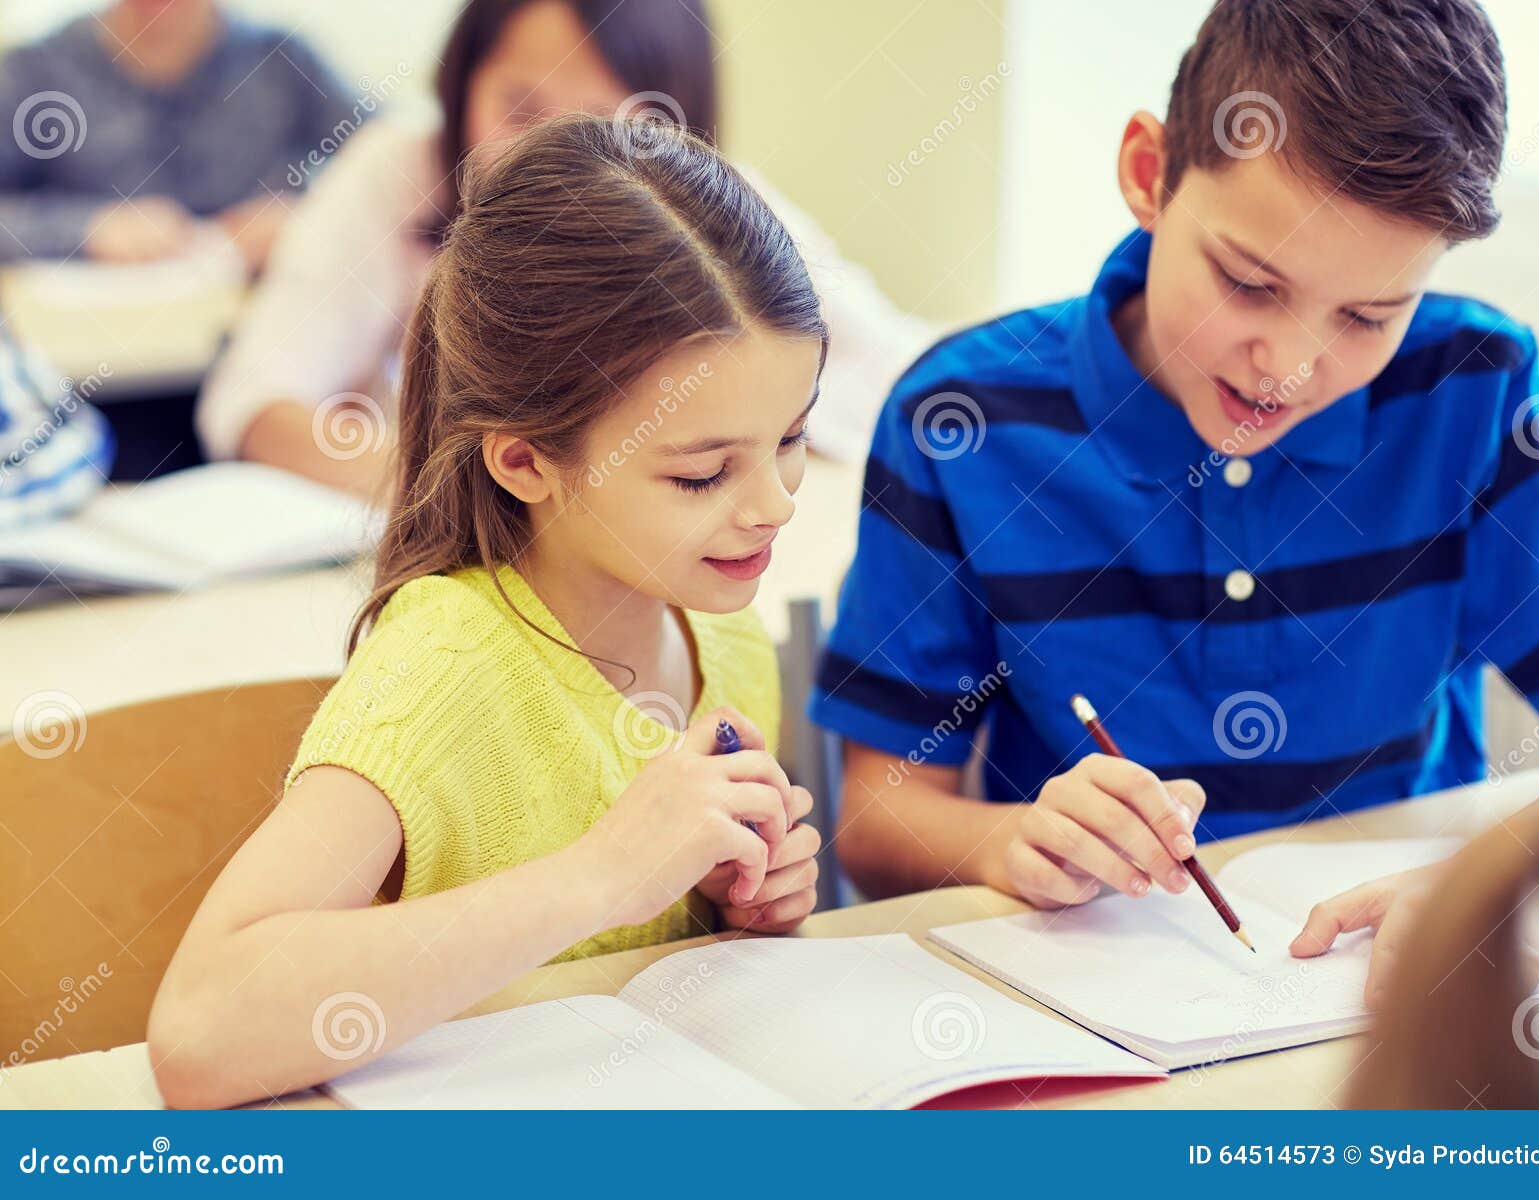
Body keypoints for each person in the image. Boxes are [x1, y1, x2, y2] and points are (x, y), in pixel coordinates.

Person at [809, 0, 1539, 1004]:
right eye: (1249, 284)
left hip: (1384, 1009)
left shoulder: (1473, 393)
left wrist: (1488, 891)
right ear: (1149, 172)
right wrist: (1013, 839)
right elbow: (879, 825)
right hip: (1092, 1016)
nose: (1291, 366)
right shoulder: (962, 421)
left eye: (1367, 315)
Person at [149, 113, 824, 1108]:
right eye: (701, 474)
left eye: (792, 438)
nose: (773, 503)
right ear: (524, 460)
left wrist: (745, 907)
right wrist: (603, 876)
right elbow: (201, 1035)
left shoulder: (719, 627)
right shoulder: (447, 662)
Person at [196, 0, 929, 497]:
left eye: (610, 128)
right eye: (521, 108)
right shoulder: (397, 174)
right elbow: (255, 401)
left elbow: (900, 377)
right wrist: (474, 498)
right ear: (460, 86)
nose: (556, 161)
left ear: (677, 131)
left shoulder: (716, 207)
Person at [0, 0, 355, 269]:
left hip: (257, 331)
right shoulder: (35, 72)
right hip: (86, 344)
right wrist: (85, 229)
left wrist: (309, 215)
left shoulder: (282, 59)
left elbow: (395, 166)